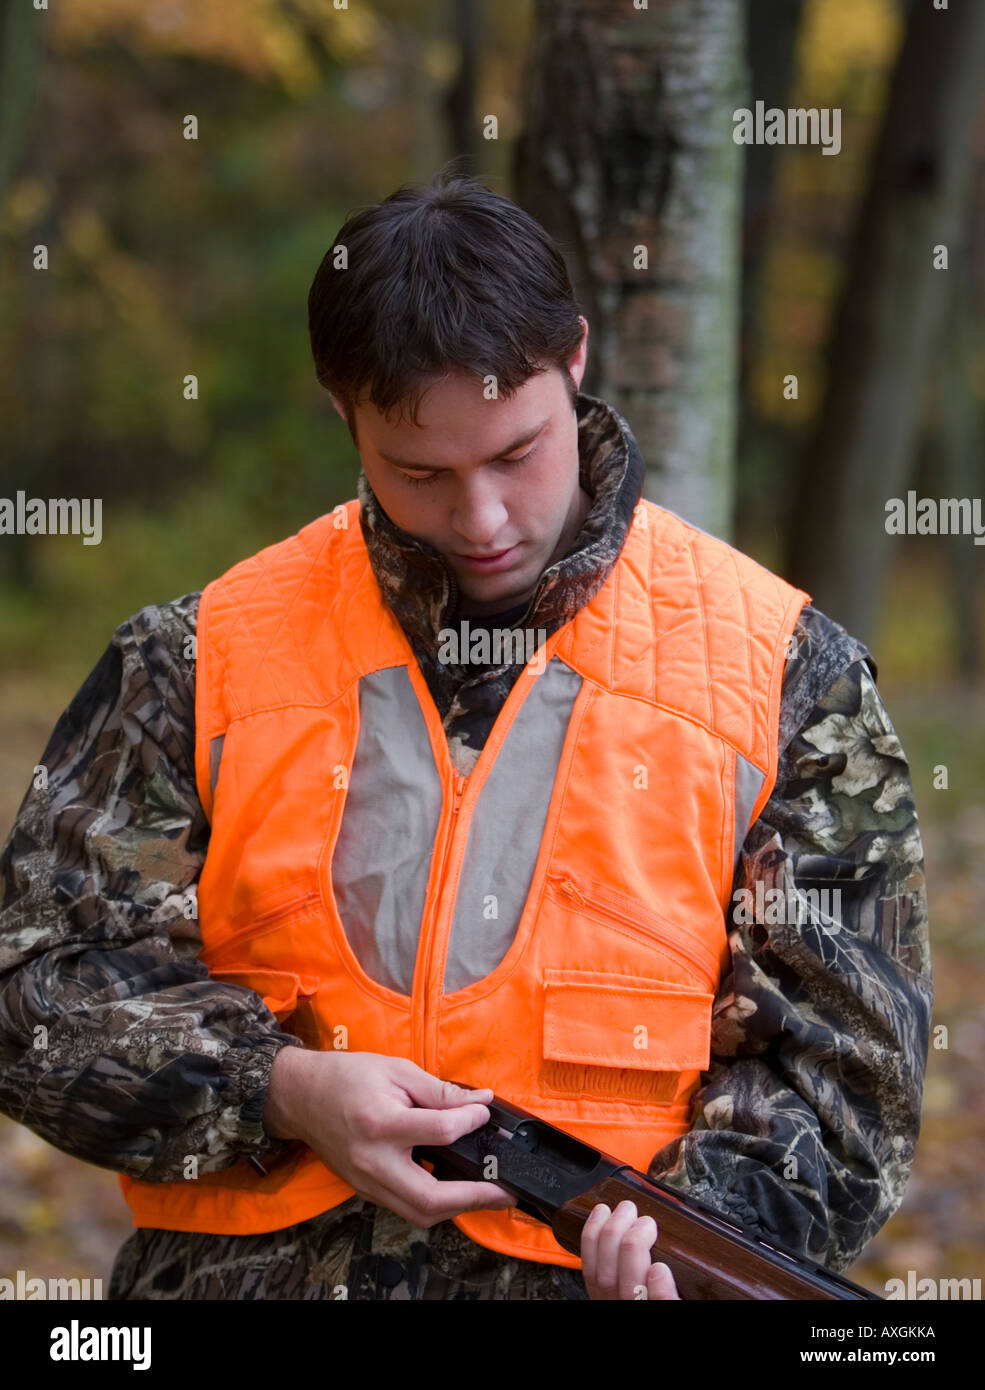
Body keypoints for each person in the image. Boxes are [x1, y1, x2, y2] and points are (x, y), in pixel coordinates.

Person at [0, 166, 932, 1302]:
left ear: (574, 360)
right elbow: (34, 990)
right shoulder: (194, 661)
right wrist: (277, 1087)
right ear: (342, 407)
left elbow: (847, 1081)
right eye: (420, 472)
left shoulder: (785, 674)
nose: (481, 519)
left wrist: (695, 1248)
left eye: (513, 455)